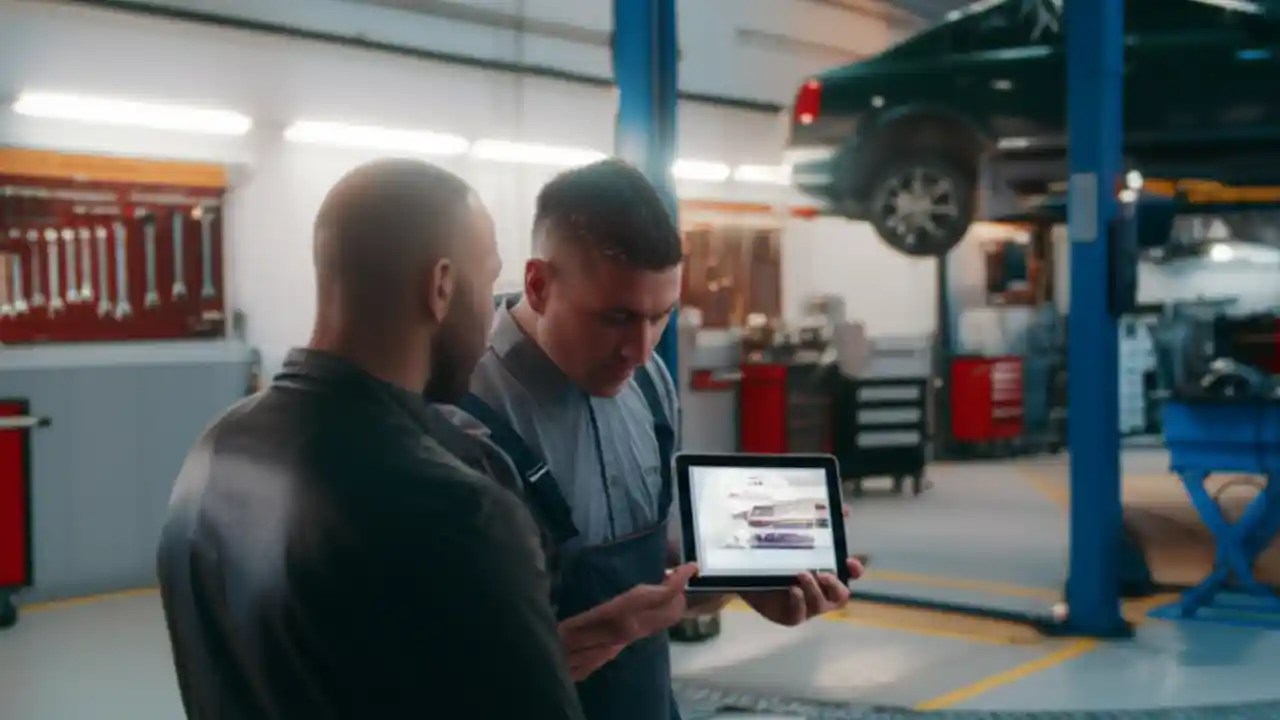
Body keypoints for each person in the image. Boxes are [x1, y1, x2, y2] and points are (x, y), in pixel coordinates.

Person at [157, 159, 609, 719]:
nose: (493, 316)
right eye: (489, 281)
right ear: (441, 286)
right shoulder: (460, 510)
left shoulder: (214, 453)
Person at [450, 159, 863, 720]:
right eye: (615, 317)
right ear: (539, 285)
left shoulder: (647, 384)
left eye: (660, 316)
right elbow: (431, 661)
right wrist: (550, 657)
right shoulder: (461, 418)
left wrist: (742, 580)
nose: (640, 350)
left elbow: (652, 566)